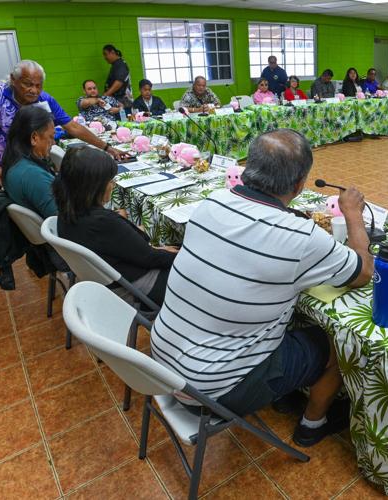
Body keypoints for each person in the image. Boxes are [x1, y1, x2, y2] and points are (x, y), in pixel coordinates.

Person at [150, 129, 374, 447]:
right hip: (211, 389)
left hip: (160, 364)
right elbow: (363, 271)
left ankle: (283, 393)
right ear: (299, 185)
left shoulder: (211, 202)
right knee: (342, 341)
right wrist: (352, 215)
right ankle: (313, 424)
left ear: (248, 166)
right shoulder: (299, 238)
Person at [0, 60, 126, 213]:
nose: (34, 90)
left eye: (38, 85)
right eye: (28, 84)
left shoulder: (43, 99)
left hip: (19, 170)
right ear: (13, 79)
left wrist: (107, 148)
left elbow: (73, 126)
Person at [53, 146, 177, 307]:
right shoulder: (103, 222)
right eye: (110, 181)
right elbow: (150, 258)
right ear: (93, 187)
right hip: (136, 289)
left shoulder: (67, 211)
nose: (112, 185)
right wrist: (179, 256)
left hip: (111, 280)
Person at [1, 106, 57, 218]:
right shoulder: (32, 175)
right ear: (34, 138)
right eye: (51, 137)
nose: (54, 143)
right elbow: (64, 221)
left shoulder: (14, 162)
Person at [102, 44, 132, 111]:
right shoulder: (116, 64)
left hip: (122, 100)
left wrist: (106, 94)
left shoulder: (120, 65)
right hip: (117, 99)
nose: (105, 57)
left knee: (123, 120)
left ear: (112, 52)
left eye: (105, 54)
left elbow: (119, 82)